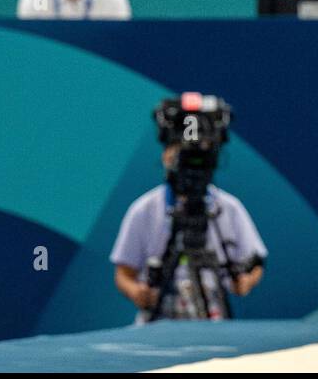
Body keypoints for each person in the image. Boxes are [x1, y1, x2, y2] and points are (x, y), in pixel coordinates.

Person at [110, 95, 266, 322]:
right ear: (166, 156)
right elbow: (123, 274)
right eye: (182, 152)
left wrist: (245, 282)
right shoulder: (143, 209)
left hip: (214, 319)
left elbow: (256, 262)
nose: (192, 161)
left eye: (201, 152)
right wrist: (138, 293)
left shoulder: (229, 208)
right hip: (159, 322)